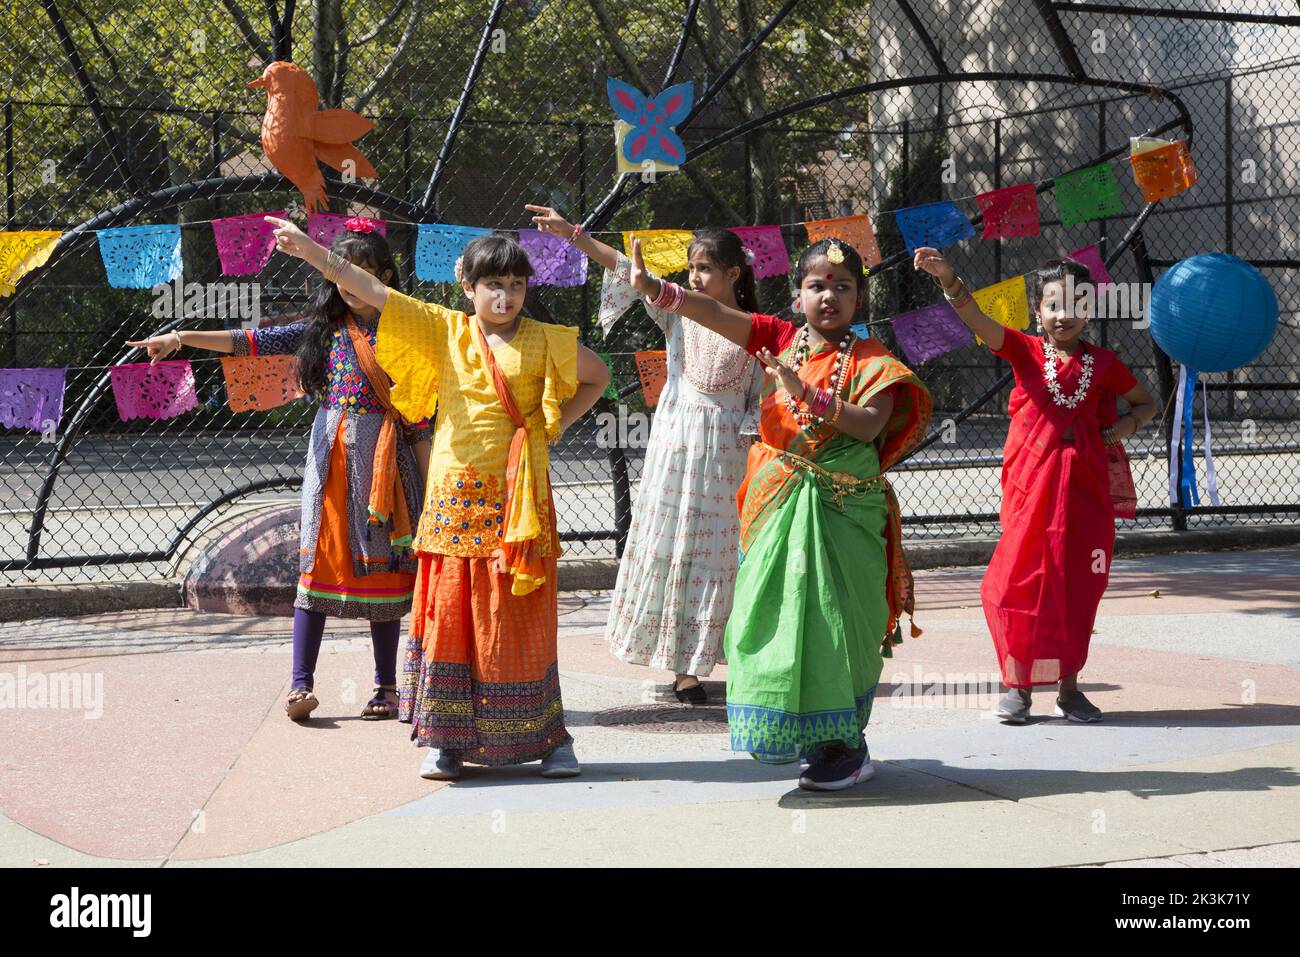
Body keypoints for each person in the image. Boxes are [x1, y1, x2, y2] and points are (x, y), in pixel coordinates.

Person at [261, 216, 610, 778]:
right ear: (466, 287)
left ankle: (551, 740)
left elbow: (599, 375)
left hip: (518, 502)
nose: (505, 295)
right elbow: (375, 290)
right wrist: (311, 252)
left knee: (518, 618)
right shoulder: (444, 330)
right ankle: (446, 741)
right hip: (452, 501)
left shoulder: (547, 341)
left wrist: (552, 427)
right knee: (449, 616)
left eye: (516, 285)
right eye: (493, 284)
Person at [627, 234, 932, 790]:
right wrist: (657, 290)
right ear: (798, 295)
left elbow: (868, 424)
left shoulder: (875, 362)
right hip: (775, 507)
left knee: (836, 626)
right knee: (776, 622)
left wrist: (807, 395)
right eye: (817, 285)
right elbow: (716, 312)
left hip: (844, 517)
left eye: (843, 287)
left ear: (860, 299)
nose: (829, 297)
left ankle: (845, 746)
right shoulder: (779, 338)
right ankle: (808, 737)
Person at [128, 218, 427, 722]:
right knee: (316, 566)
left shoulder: (410, 326)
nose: (354, 285)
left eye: (366, 273)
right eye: (344, 274)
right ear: (332, 281)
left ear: (388, 277)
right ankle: (300, 685)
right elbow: (249, 342)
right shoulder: (324, 331)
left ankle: (386, 686)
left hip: (388, 467)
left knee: (386, 572)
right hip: (330, 463)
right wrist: (180, 337)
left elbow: (423, 411)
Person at [526, 206, 764, 703]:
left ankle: (736, 657)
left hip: (728, 460)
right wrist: (574, 234)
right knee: (675, 548)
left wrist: (750, 444)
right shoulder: (677, 311)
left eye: (704, 270)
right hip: (674, 453)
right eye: (691, 269)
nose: (693, 278)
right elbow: (626, 270)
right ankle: (685, 671)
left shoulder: (757, 329)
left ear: (733, 275)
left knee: (722, 557)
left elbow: (759, 403)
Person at [912, 248, 1156, 723]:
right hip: (1031, 486)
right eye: (1052, 304)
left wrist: (1115, 432)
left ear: (1089, 309)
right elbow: (980, 324)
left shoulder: (1104, 363)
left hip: (1084, 489)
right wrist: (950, 281)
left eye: (1076, 304)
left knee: (1077, 587)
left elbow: (1145, 404)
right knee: (1014, 586)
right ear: (1037, 311)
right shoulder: (1024, 349)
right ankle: (1017, 687)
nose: (1064, 315)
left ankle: (1069, 689)